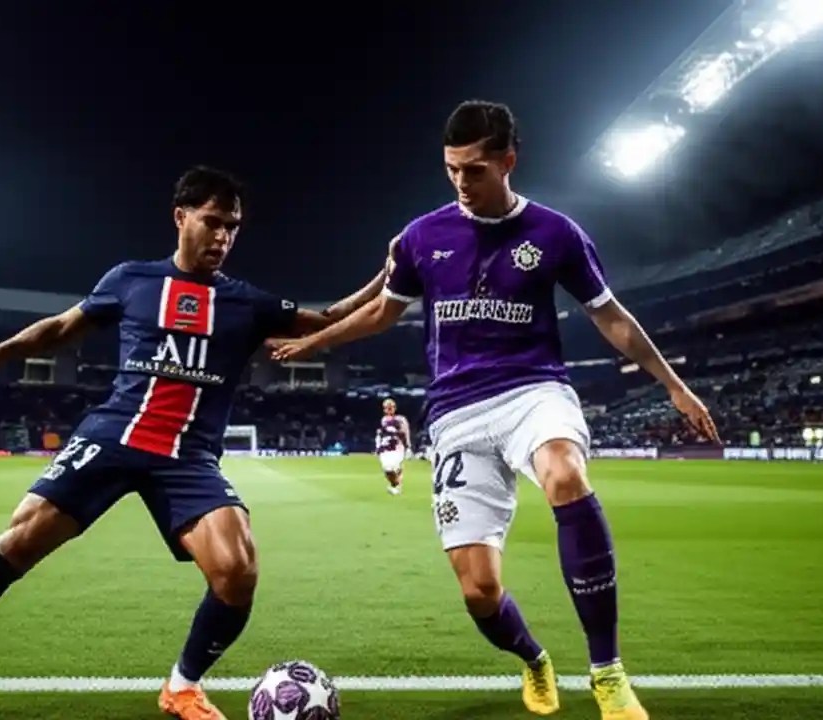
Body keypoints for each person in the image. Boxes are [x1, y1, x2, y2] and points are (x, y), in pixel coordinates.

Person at [0, 166, 384, 720]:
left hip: (187, 455)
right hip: (115, 434)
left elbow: (328, 319)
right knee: (17, 542)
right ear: (181, 217)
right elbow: (60, 328)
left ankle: (182, 686)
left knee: (238, 569)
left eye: (233, 226)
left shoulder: (247, 304)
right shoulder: (132, 280)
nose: (223, 236)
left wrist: (386, 276)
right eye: (213, 222)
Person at [272, 100, 720, 720]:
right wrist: (315, 343)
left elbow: (611, 316)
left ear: (509, 161)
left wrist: (672, 383)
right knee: (479, 590)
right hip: (454, 412)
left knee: (565, 473)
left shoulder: (556, 233)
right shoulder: (424, 234)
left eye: (475, 169)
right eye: (452, 169)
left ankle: (607, 672)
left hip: (532, 390)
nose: (461, 182)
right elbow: (381, 312)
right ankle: (535, 660)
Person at [374, 398, 411, 494]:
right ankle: (396, 484)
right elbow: (381, 434)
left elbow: (405, 432)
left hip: (397, 447)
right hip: (385, 449)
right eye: (387, 408)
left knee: (392, 467)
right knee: (387, 470)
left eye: (391, 407)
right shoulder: (384, 420)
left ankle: (397, 487)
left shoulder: (401, 419)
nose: (389, 409)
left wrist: (408, 446)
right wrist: (378, 446)